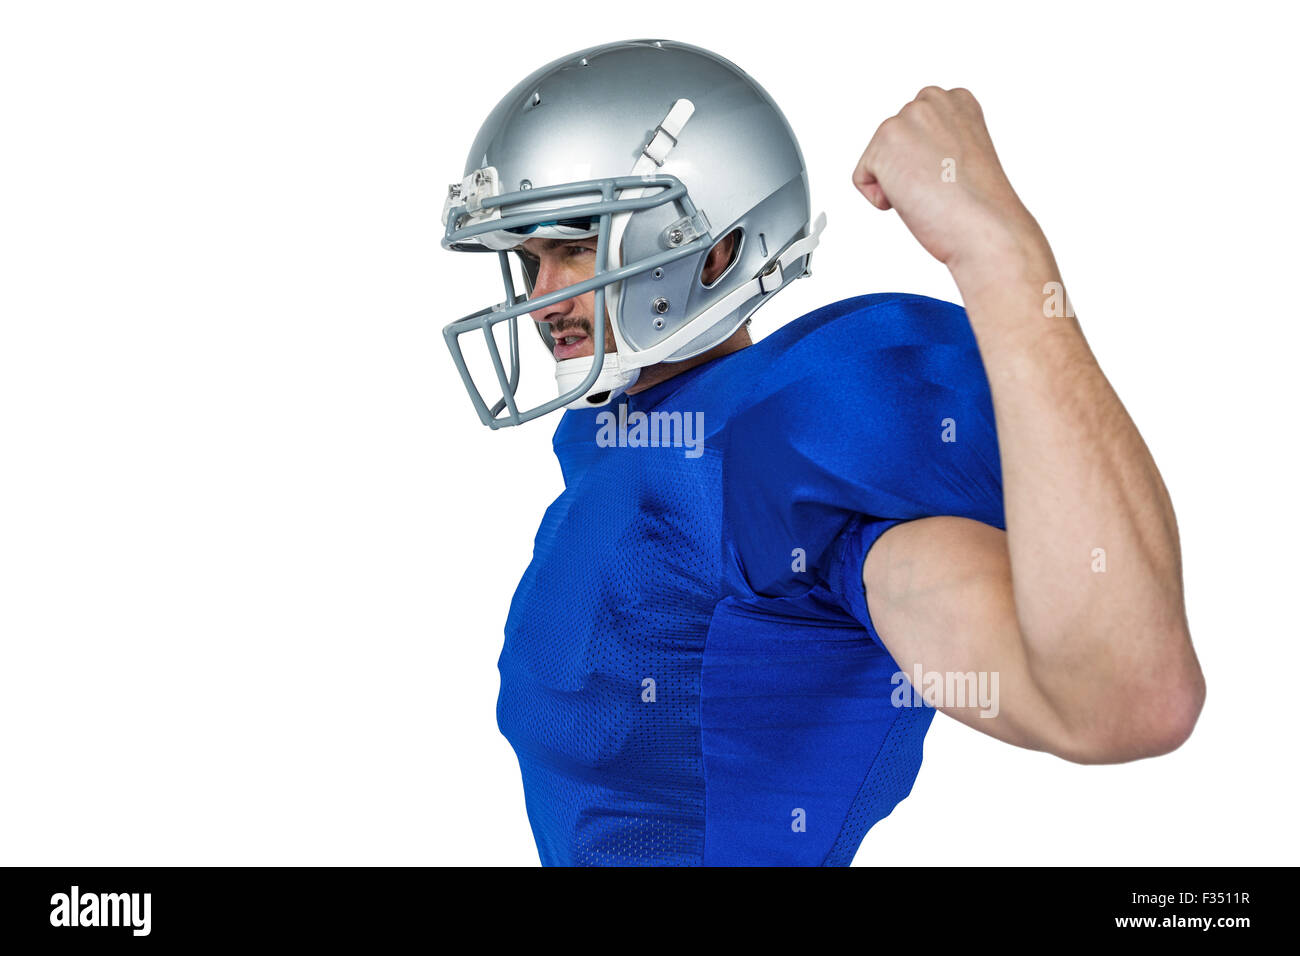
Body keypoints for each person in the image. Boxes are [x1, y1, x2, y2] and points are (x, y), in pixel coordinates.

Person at [438, 38, 1205, 866]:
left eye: (574, 247)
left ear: (716, 248)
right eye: (529, 259)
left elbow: (1124, 700)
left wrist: (1001, 256)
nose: (544, 295)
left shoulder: (789, 447)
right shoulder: (614, 441)